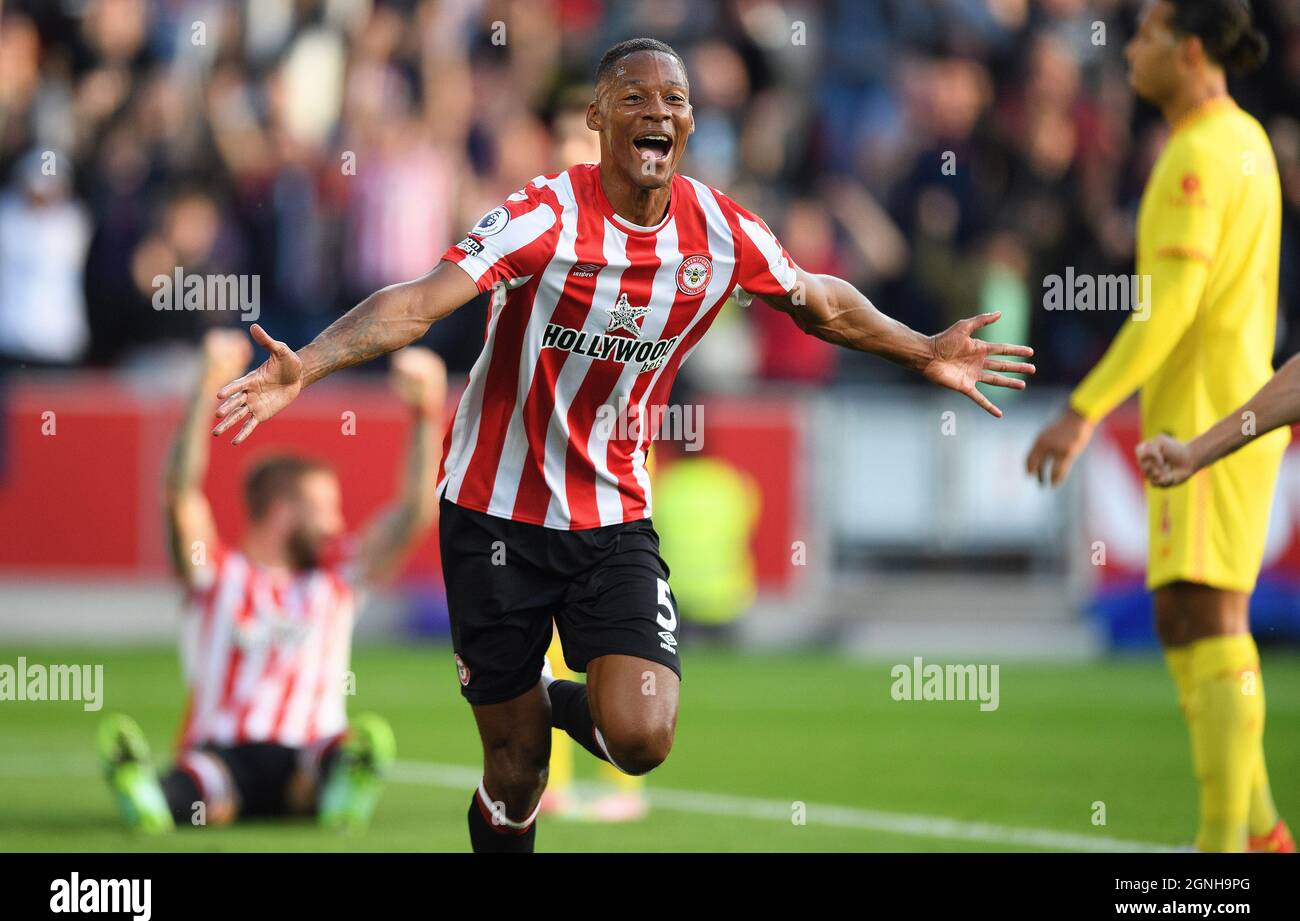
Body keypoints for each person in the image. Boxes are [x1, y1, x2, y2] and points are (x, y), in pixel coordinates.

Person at [210, 38, 1034, 852]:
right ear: (599, 117)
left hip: (611, 516)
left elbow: (819, 302)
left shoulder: (720, 232)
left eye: (674, 101)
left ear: (690, 127)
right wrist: (307, 365)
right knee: (517, 767)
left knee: (641, 737)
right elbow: (421, 301)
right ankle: (526, 722)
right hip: (493, 514)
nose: (658, 112)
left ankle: (547, 698)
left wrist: (925, 348)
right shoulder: (545, 216)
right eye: (636, 97)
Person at [1025, 0, 1292, 852]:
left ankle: (1221, 858)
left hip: (1216, 420)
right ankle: (1259, 836)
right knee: (1185, 617)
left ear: (1187, 49)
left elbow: (1169, 307)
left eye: (1142, 34)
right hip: (1219, 410)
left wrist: (1081, 408)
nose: (1129, 49)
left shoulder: (1197, 155)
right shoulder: (1243, 138)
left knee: (1212, 619)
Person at [99, 328, 445, 832]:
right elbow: (180, 495)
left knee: (336, 754)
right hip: (224, 754)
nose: (335, 524)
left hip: (308, 752)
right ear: (282, 513)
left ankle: (344, 783)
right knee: (197, 780)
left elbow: (414, 514)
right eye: (324, 510)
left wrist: (425, 412)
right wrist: (204, 388)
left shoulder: (338, 576)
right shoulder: (216, 574)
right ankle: (153, 799)